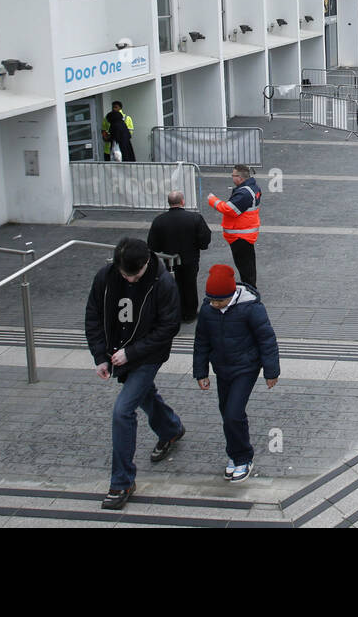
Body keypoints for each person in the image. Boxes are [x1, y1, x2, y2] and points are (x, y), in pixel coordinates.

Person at [84, 237, 183, 510]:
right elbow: (93, 315)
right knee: (143, 395)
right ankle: (171, 428)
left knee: (122, 411)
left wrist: (132, 353)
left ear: (146, 263)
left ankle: (122, 481)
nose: (128, 279)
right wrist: (99, 355)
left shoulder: (163, 283)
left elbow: (168, 327)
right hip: (118, 353)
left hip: (147, 356)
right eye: (124, 274)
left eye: (134, 274)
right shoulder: (106, 277)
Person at [193, 264, 280, 483]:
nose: (214, 304)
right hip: (222, 368)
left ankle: (243, 458)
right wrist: (201, 372)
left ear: (230, 295)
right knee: (226, 412)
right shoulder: (207, 310)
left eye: (219, 301)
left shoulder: (251, 308)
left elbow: (267, 339)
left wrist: (271, 371)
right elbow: (201, 342)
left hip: (246, 368)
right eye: (211, 300)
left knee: (233, 413)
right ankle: (235, 454)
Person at [147, 191, 213, 322]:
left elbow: (152, 244)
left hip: (169, 259)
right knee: (190, 284)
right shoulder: (195, 218)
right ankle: (190, 313)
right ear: (183, 201)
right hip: (190, 258)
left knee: (174, 283)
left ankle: (176, 311)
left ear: (169, 202)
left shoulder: (159, 220)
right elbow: (204, 238)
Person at [206, 165, 262, 289]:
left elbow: (229, 209)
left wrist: (212, 200)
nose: (232, 177)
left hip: (240, 236)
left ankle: (250, 291)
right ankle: (250, 289)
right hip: (245, 234)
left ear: (240, 178)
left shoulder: (244, 193)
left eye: (233, 175)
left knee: (246, 268)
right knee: (248, 266)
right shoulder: (252, 188)